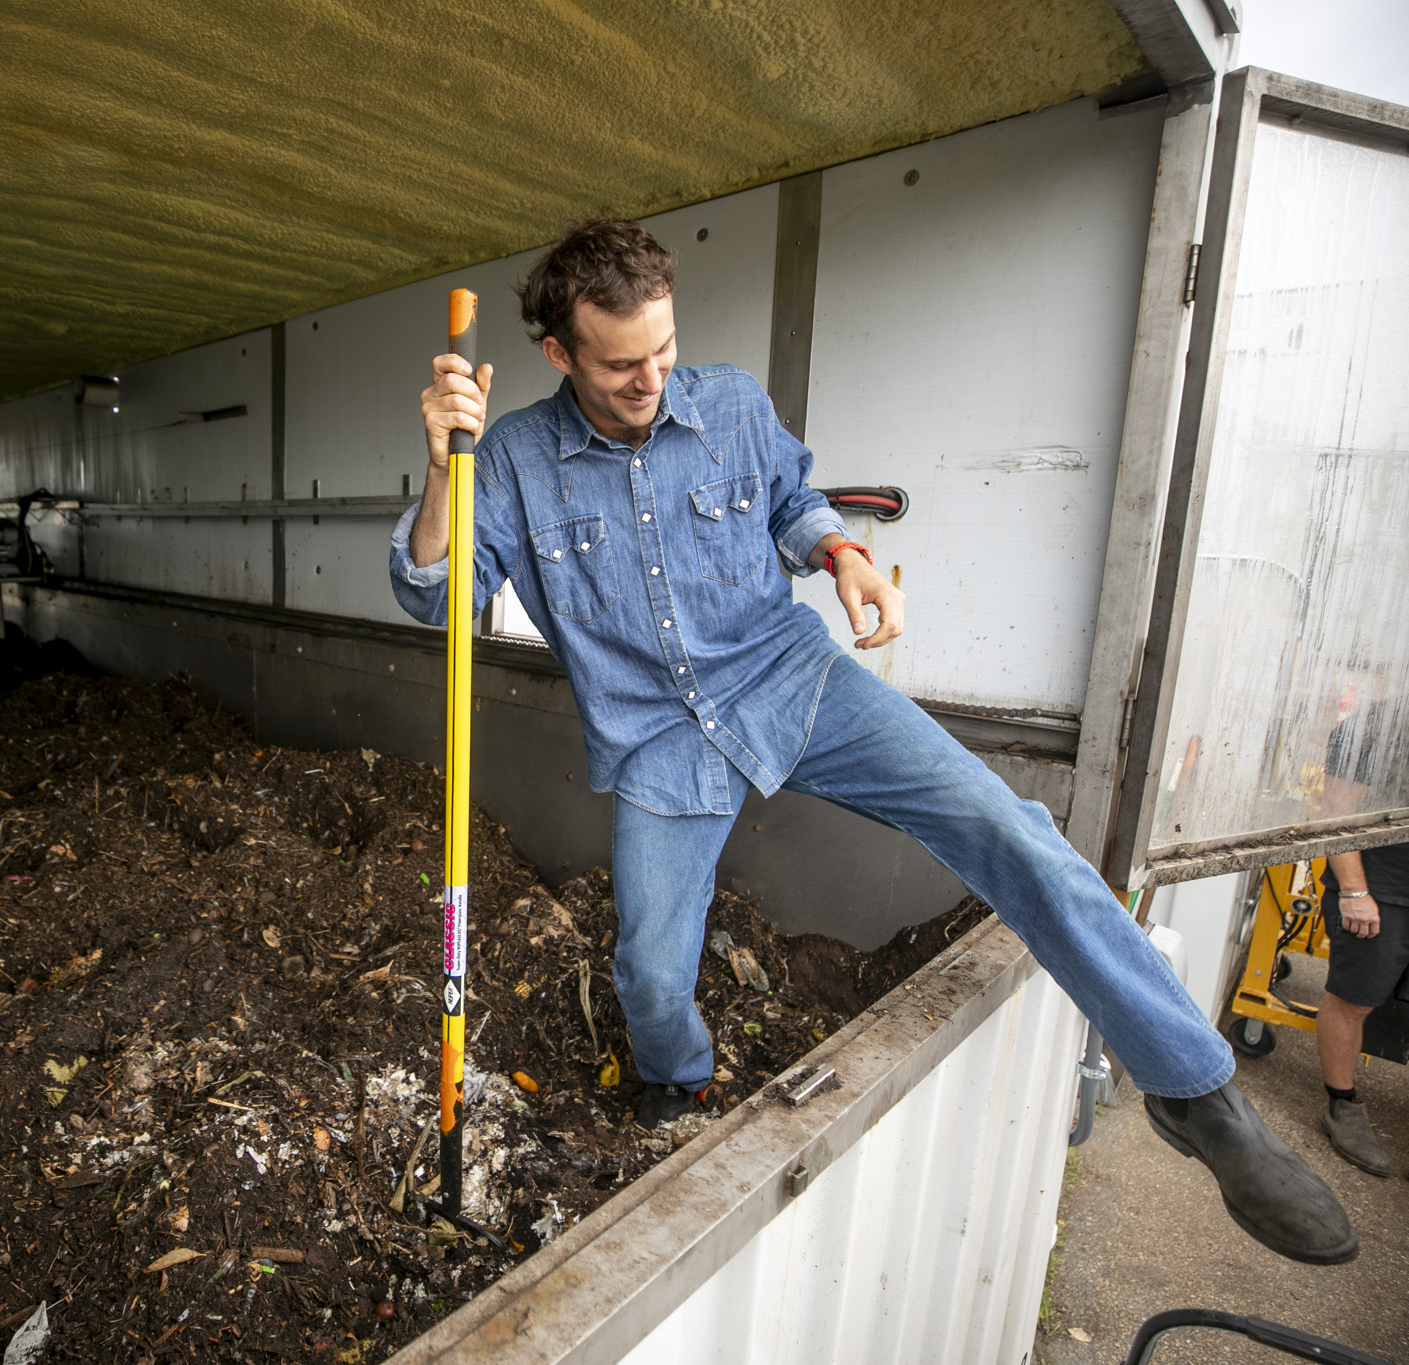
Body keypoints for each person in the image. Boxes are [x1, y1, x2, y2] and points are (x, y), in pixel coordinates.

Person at [386, 219, 1356, 1265]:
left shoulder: (730, 402)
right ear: (558, 354)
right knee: (652, 975)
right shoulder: (513, 458)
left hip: (790, 682)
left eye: (663, 350)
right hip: (660, 735)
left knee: (1006, 826)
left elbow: (790, 500)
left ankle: (1196, 1093)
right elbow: (434, 594)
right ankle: (676, 1084)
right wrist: (442, 468)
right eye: (621, 364)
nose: (650, 379)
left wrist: (841, 555)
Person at [1315, 702, 1408, 1178]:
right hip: (1379, 891)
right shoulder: (1377, 725)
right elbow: (1336, 809)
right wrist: (1354, 891)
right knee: (1354, 1000)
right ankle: (1341, 1105)